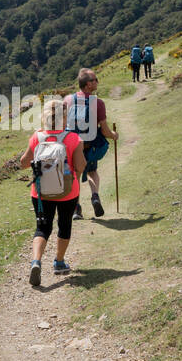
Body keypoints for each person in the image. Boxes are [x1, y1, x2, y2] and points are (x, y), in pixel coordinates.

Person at [19, 98, 86, 287]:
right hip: (68, 191)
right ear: (65, 118)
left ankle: (36, 261)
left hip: (40, 192)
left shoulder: (36, 137)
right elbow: (81, 165)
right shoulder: (73, 138)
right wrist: (73, 174)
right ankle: (59, 262)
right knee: (64, 225)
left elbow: (23, 163)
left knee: (42, 227)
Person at [62, 68, 117, 220]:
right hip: (90, 145)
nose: (97, 82)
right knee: (92, 172)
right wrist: (114, 136)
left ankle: (76, 209)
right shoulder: (98, 103)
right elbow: (105, 131)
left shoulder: (68, 100)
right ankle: (94, 196)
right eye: (95, 80)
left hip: (73, 146)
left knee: (76, 176)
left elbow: (63, 125)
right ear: (87, 85)